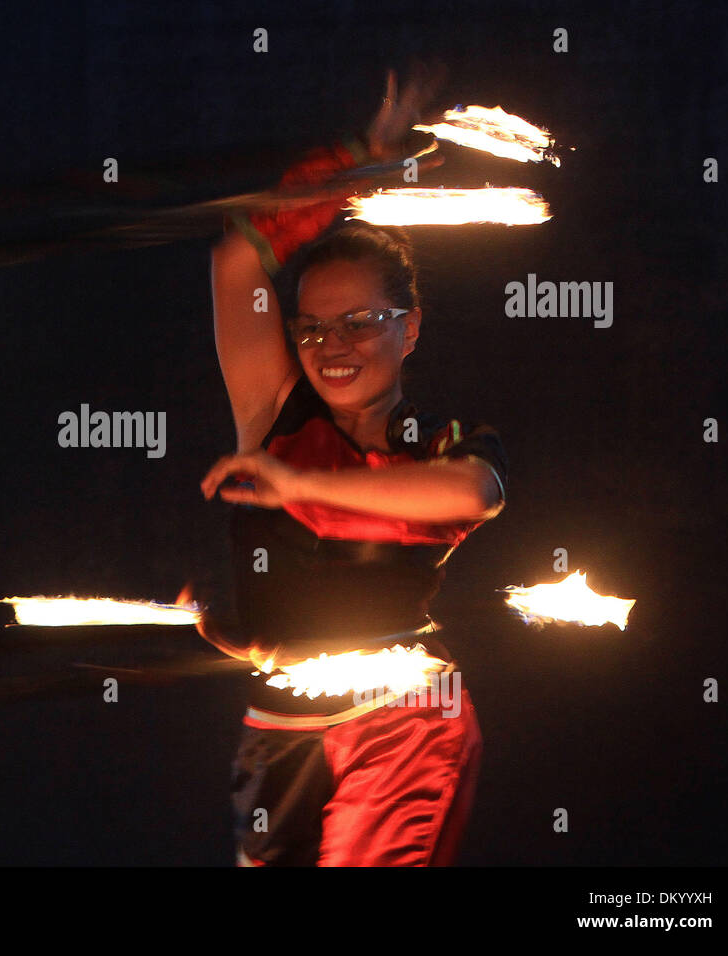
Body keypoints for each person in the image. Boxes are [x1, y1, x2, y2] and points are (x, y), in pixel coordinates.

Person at [197, 65, 508, 866]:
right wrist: (360, 162)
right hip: (278, 729)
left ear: (409, 330)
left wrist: (297, 484)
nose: (332, 346)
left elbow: (473, 494)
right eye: (312, 328)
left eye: (362, 323)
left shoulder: (444, 440)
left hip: (404, 719)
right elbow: (238, 262)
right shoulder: (275, 410)